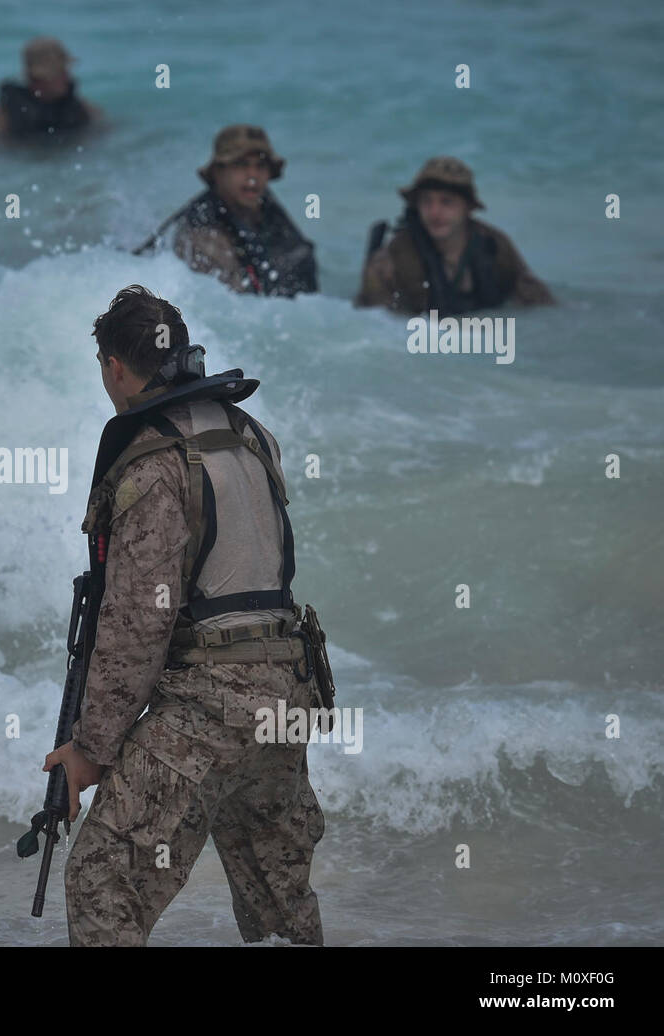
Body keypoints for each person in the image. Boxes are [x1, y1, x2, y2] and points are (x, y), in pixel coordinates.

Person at [45, 284, 325, 947]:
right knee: (280, 903)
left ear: (115, 366)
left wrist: (91, 751)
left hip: (209, 709)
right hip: (286, 694)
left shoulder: (153, 462)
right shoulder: (252, 435)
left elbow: (139, 625)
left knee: (100, 878)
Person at [356, 156, 555, 313]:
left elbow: (542, 307)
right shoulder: (393, 258)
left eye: (446, 202)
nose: (434, 213)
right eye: (427, 201)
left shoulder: (494, 246)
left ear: (468, 207)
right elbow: (374, 326)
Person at [145, 125, 316, 297]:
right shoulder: (202, 234)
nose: (252, 176)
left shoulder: (265, 207)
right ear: (218, 172)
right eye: (241, 165)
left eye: (261, 166)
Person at [0, 37, 101, 139]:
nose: (66, 77)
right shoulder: (1, 121)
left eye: (64, 71)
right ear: (36, 78)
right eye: (58, 72)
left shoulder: (84, 111)